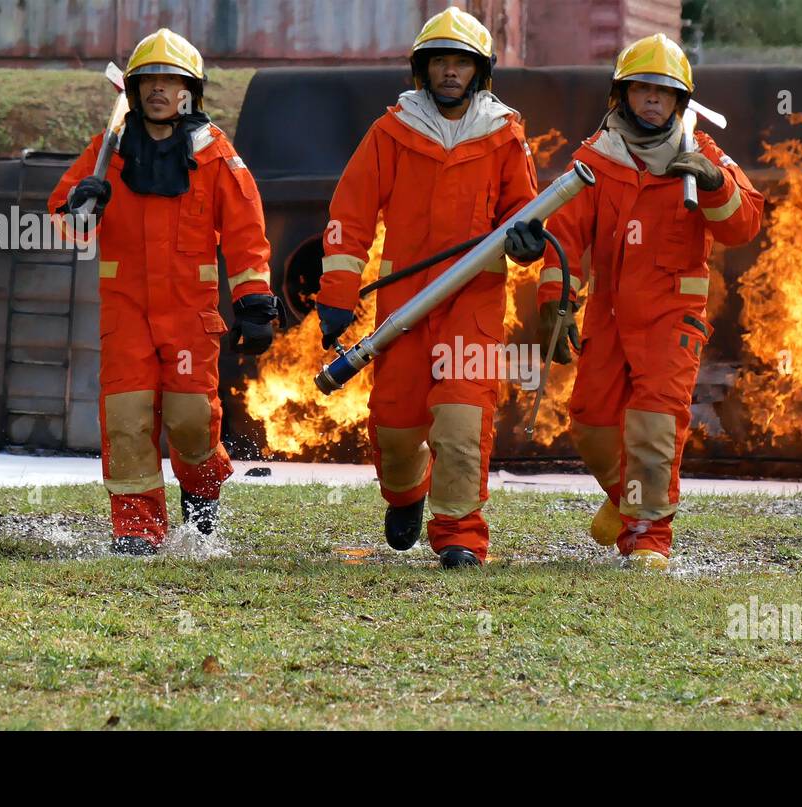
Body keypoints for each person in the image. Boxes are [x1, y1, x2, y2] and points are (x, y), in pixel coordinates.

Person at [315, 7, 542, 569]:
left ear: (478, 72)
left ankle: (460, 535)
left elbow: (526, 210)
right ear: (423, 69)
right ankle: (404, 491)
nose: (449, 73)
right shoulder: (391, 132)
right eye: (439, 62)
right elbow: (352, 212)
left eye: (460, 64)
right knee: (394, 427)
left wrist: (528, 241)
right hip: (404, 305)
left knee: (464, 421)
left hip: (474, 303)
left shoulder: (504, 134)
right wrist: (339, 295)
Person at [535, 33, 764, 570]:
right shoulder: (595, 158)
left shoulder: (702, 153)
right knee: (589, 425)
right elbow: (562, 235)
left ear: (681, 102)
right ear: (622, 95)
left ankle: (648, 538)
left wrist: (713, 184)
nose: (653, 101)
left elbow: (744, 224)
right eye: (642, 90)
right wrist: (556, 298)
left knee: (654, 423)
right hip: (609, 316)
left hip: (671, 315)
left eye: (664, 92)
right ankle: (626, 502)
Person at [49, 28, 281, 555]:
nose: (158, 89)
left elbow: (247, 233)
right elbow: (63, 221)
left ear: (189, 91)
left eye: (170, 81)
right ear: (133, 91)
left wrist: (254, 299)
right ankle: (136, 531)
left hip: (190, 317)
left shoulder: (216, 155)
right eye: (148, 80)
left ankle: (200, 507)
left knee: (192, 420)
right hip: (125, 311)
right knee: (126, 418)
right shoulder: (107, 153)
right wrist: (81, 204)